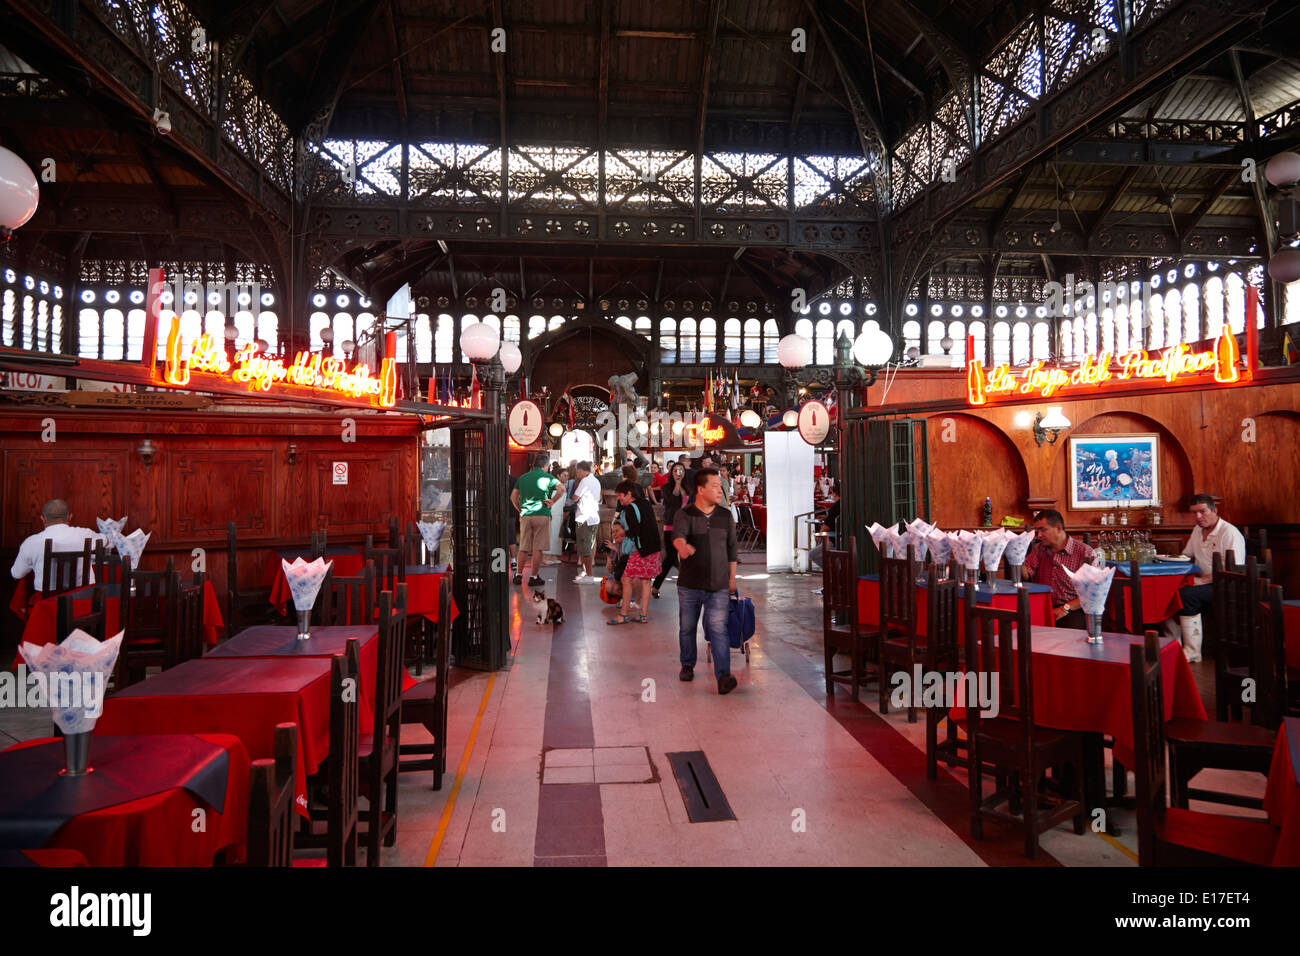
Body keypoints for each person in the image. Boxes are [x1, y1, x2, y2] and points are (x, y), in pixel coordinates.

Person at [671, 468, 740, 695]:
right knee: (687, 627)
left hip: (719, 584)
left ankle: (723, 677)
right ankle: (687, 665)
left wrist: (732, 578)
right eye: (714, 486)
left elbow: (732, 549)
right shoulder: (685, 514)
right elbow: (678, 536)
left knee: (718, 629)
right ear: (700, 490)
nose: (720, 490)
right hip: (690, 584)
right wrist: (682, 546)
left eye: (720, 486)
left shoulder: (725, 515)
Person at [1161, 493, 1247, 663]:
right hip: (1204, 584)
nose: (1198, 517)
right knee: (1165, 592)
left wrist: (1201, 581)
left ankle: (1192, 651)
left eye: (1202, 511)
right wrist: (1164, 560)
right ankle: (1174, 647)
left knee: (1186, 596)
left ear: (1214, 510)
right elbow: (1186, 555)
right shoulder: (1197, 530)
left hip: (1227, 585)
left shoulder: (1229, 532)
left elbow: (1232, 568)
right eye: (1194, 513)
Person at [10, 499, 106, 593]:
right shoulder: (85, 534)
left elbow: (17, 574)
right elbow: (106, 540)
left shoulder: (30, 542)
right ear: (70, 517)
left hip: (47, 602)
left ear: (42, 518)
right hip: (82, 598)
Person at [1022, 508, 1096, 629]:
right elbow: (1026, 574)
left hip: (1073, 609)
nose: (1039, 535)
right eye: (1037, 531)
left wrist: (1065, 608)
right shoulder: (1038, 548)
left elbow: (1093, 591)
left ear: (1058, 528)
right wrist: (1017, 557)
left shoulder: (1085, 552)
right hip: (1043, 606)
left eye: (1043, 530)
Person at [608, 480, 662, 626]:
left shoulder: (631, 508)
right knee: (645, 581)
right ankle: (643, 615)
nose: (619, 498)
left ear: (629, 494)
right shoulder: (645, 503)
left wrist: (622, 533)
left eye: (620, 495)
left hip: (641, 550)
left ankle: (623, 614)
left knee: (626, 580)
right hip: (653, 548)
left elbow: (635, 531)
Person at [511, 452, 564, 587]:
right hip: (542, 514)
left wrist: (520, 509)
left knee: (523, 547)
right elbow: (561, 488)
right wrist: (552, 501)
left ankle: (518, 575)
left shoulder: (522, 478)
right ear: (545, 465)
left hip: (526, 515)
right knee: (537, 548)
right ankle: (534, 577)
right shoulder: (549, 478)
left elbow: (513, 497)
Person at [652, 462, 688, 597]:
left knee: (677, 558)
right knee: (672, 557)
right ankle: (686, 580)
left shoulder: (688, 487)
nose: (678, 473)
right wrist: (677, 484)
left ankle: (656, 586)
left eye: (681, 470)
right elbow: (673, 500)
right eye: (675, 471)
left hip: (686, 527)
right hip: (671, 526)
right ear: (671, 473)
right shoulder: (667, 487)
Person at [571, 461, 602, 582]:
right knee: (586, 547)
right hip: (593, 517)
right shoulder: (595, 480)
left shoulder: (585, 481)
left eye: (577, 471)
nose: (577, 474)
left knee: (585, 548)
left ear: (581, 470)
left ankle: (589, 575)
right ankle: (585, 572)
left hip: (585, 518)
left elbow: (575, 497)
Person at [809, 482, 841, 572]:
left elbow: (826, 528)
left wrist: (817, 536)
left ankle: (833, 573)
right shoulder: (843, 505)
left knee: (813, 554)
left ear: (834, 493)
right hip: (841, 539)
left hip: (834, 541)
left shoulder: (835, 507)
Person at [548, 468, 569, 561]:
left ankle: (553, 555)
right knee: (551, 534)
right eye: (564, 475)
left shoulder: (562, 486)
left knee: (557, 535)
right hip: (553, 513)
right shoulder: (554, 486)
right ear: (558, 476)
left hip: (559, 514)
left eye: (567, 475)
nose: (566, 477)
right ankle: (547, 556)